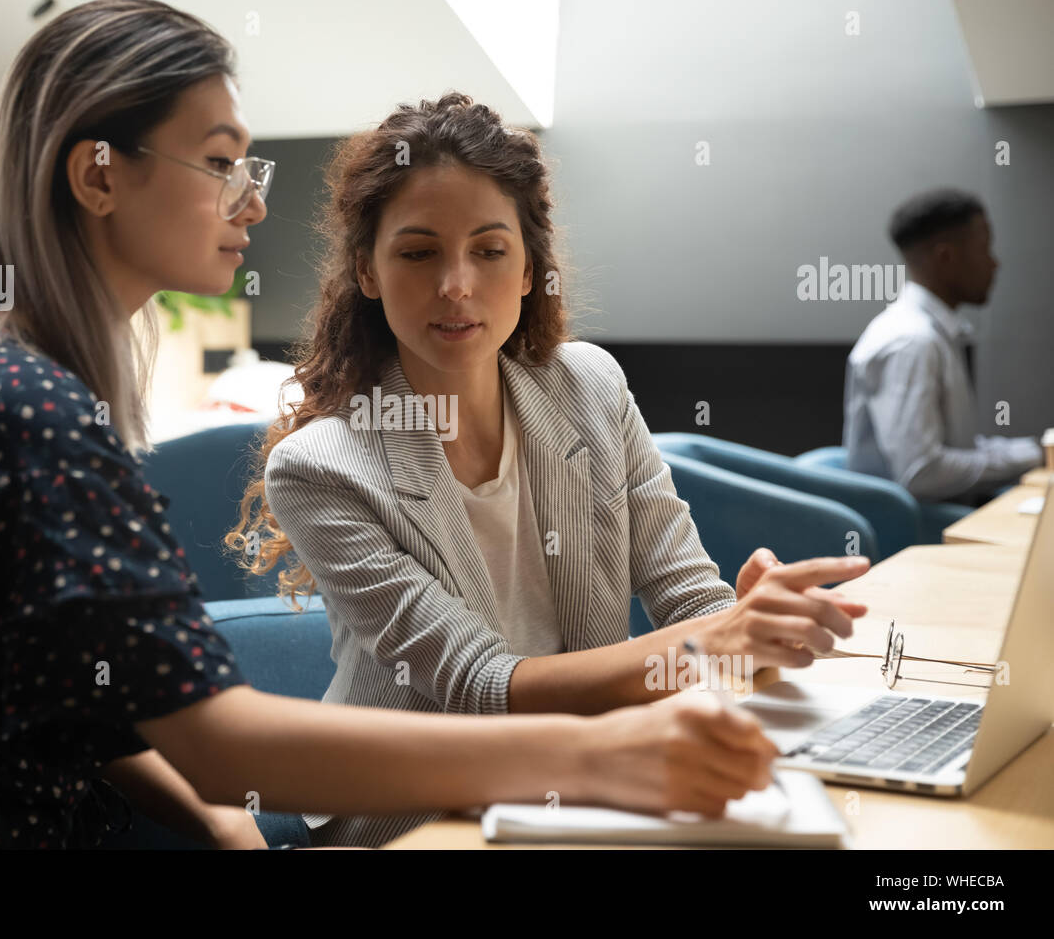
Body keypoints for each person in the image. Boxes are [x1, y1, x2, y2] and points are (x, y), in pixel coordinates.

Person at [0, 0, 782, 850]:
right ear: (97, 175)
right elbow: (222, 739)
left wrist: (216, 821)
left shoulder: (14, 377)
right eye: (222, 163)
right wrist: (601, 751)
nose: (250, 206)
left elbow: (74, 678)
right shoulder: (22, 406)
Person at [232, 92, 871, 847]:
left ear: (531, 267)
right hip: (421, 819)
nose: (457, 285)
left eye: (490, 249)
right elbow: (479, 687)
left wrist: (749, 632)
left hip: (604, 792)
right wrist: (715, 643)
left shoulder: (590, 387)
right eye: (418, 251)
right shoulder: (323, 468)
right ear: (367, 272)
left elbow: (686, 594)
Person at [845, 188, 1043, 504]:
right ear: (946, 257)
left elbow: (955, 449)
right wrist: (1032, 458)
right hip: (917, 533)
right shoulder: (913, 342)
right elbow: (921, 473)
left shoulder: (931, 333)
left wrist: (1036, 451)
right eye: (985, 249)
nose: (995, 263)